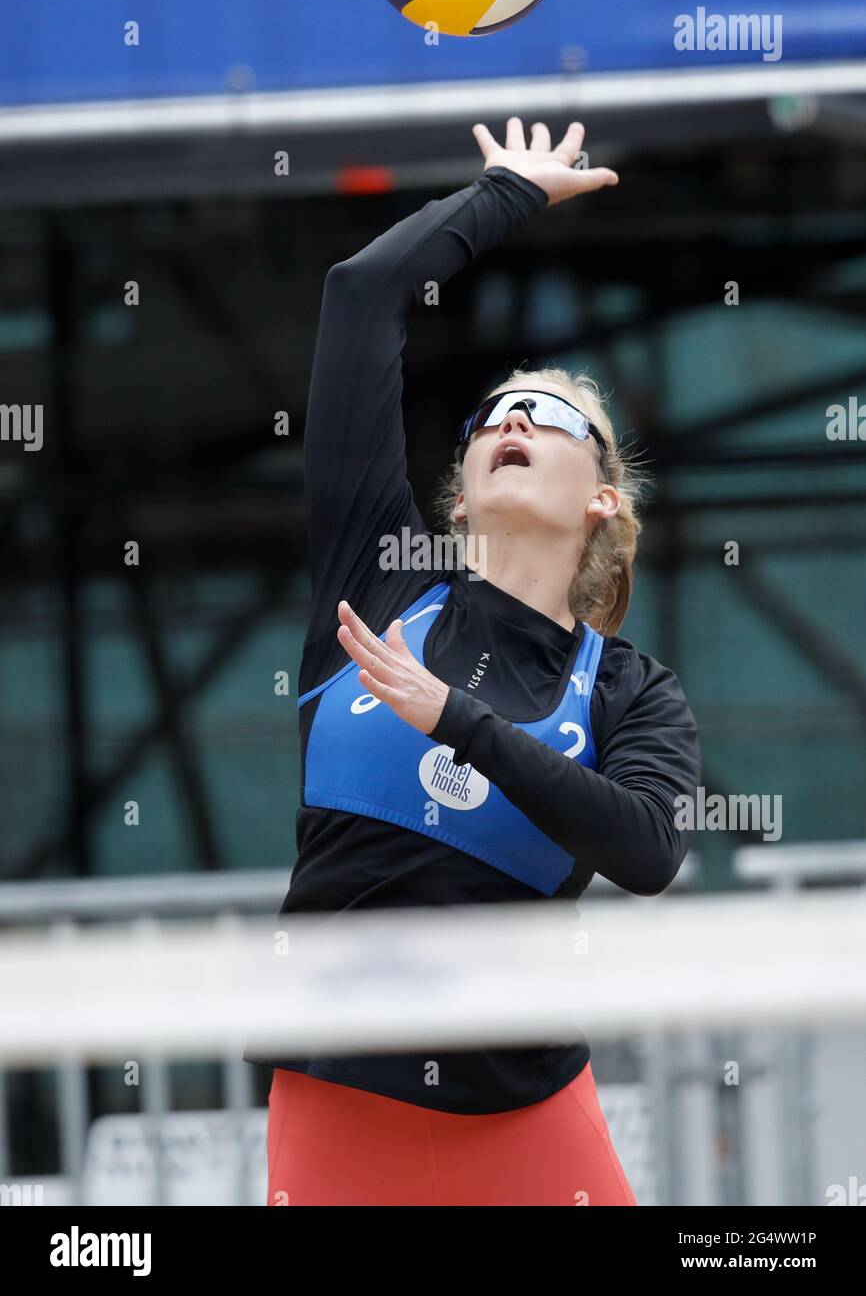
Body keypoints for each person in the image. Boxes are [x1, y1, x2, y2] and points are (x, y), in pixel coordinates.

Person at [246, 118, 701, 1206]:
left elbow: (645, 851)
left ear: (601, 498)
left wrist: (458, 719)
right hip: (338, 1097)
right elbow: (359, 295)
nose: (512, 420)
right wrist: (500, 194)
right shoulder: (381, 579)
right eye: (494, 414)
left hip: (526, 1111)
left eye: (547, 416)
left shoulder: (627, 688)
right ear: (458, 494)